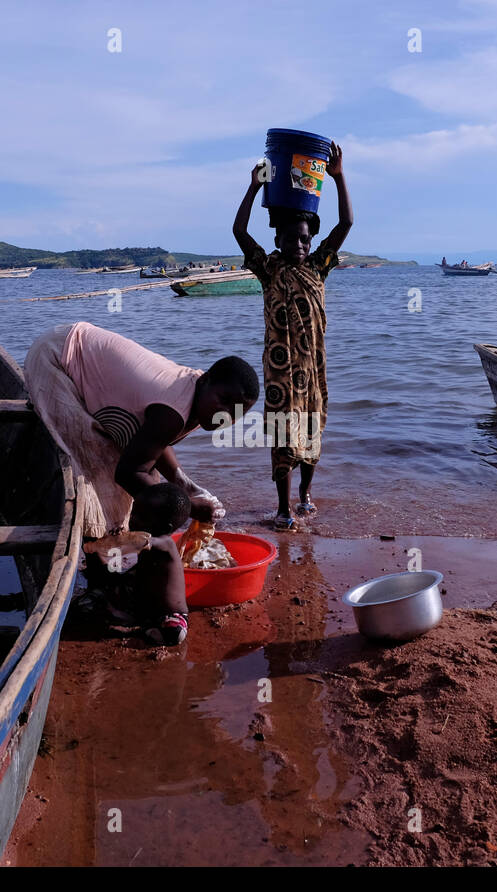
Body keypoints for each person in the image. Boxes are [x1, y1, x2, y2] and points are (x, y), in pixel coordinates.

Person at [25, 321, 259, 628]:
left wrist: (187, 487)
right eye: (224, 401)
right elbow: (128, 472)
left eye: (237, 411)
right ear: (206, 380)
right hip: (57, 358)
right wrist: (185, 509)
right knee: (100, 467)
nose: (226, 414)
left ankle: (108, 561)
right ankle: (102, 583)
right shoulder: (174, 407)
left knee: (140, 480)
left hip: (71, 346)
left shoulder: (193, 398)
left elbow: (154, 440)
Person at [233, 140, 353, 530]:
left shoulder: (319, 267)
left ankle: (305, 497)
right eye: (292, 238)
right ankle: (284, 509)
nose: (300, 245)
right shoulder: (268, 270)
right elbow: (238, 229)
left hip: (313, 369)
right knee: (283, 439)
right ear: (278, 240)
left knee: (312, 437)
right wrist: (254, 186)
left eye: (305, 239)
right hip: (281, 373)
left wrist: (338, 177)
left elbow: (346, 224)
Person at [85, 482, 193, 645]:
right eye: (133, 514)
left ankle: (146, 630)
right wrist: (110, 544)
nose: (133, 520)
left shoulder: (165, 544)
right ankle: (142, 626)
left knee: (174, 630)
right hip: (145, 606)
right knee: (102, 590)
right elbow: (121, 565)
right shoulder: (146, 540)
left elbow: (146, 542)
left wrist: (123, 542)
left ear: (165, 526)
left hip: (169, 614)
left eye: (141, 517)